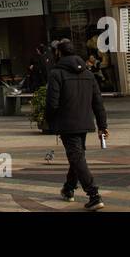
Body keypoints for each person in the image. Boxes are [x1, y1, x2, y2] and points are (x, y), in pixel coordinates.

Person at [46, 40, 107, 209]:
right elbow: (98, 102)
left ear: (59, 53)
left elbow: (52, 103)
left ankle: (94, 194)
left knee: (77, 157)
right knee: (77, 156)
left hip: (67, 123)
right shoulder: (88, 74)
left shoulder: (56, 73)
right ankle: (69, 188)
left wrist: (50, 121)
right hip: (85, 122)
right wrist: (103, 125)